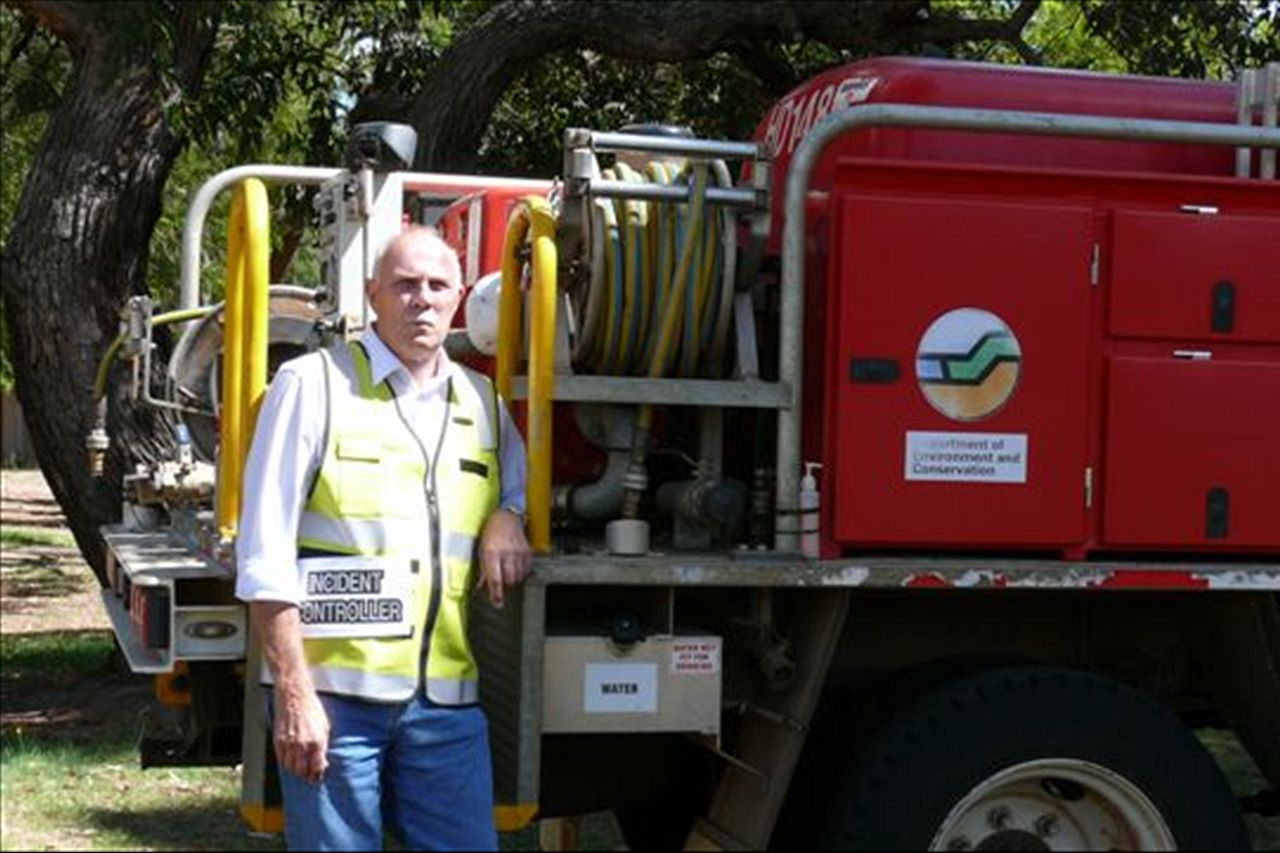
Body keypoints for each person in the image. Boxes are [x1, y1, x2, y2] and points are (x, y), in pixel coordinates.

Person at [235, 226, 531, 851]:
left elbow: (516, 489)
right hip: (335, 705)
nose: (421, 299)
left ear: (460, 298)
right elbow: (264, 554)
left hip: (446, 703)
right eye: (404, 285)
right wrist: (294, 692)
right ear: (373, 294)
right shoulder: (312, 386)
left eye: (437, 286)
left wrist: (509, 514)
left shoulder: (483, 403)